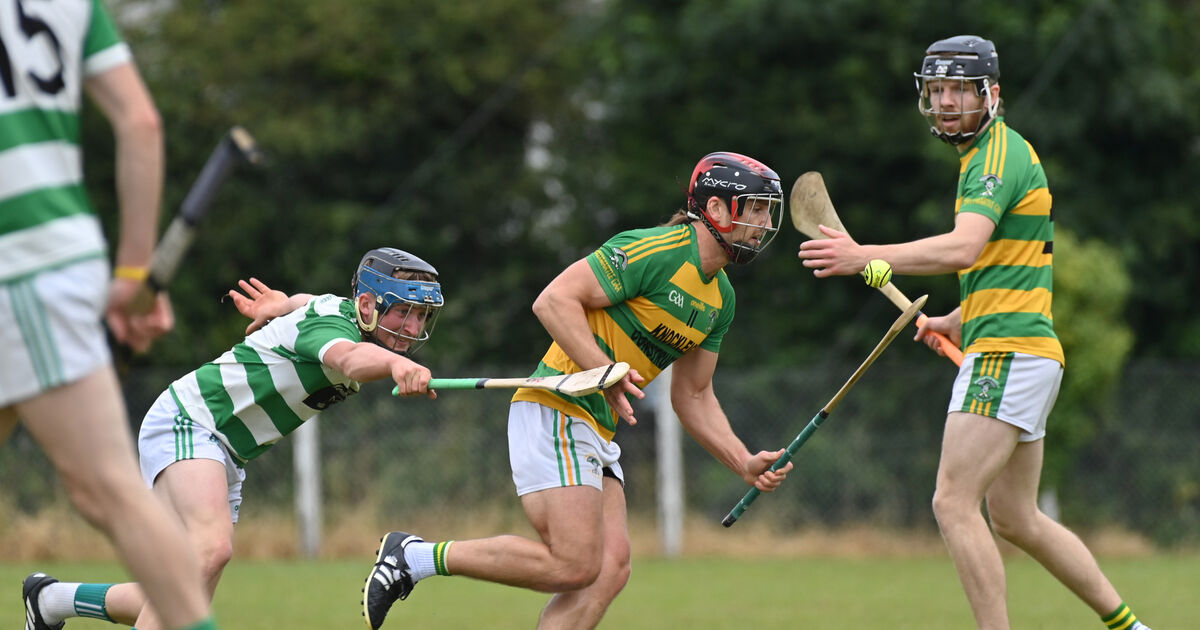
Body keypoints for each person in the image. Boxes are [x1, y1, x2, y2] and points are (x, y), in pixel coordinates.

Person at [796, 35, 1151, 630]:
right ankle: (1131, 627)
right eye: (937, 90)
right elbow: (1007, 266)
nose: (946, 102)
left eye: (958, 89)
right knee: (1015, 518)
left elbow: (964, 247)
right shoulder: (991, 159)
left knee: (952, 502)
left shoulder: (993, 157)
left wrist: (865, 255)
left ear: (991, 94)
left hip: (1007, 355)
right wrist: (952, 320)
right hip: (1027, 351)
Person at [361, 152, 795, 630]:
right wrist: (604, 372)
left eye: (767, 211)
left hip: (594, 425)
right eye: (756, 209)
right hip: (557, 407)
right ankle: (415, 558)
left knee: (610, 570)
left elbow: (692, 395)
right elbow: (553, 300)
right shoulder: (658, 251)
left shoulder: (721, 299)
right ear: (716, 209)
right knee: (574, 565)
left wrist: (742, 460)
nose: (764, 223)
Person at [23, 248, 444, 630]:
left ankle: (50, 601)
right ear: (367, 305)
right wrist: (392, 364)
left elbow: (307, 305)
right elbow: (350, 360)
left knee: (181, 600)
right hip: (192, 421)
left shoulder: (340, 315)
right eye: (403, 311)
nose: (412, 326)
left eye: (422, 316)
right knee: (213, 549)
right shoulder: (334, 327)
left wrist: (283, 303)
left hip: (224, 453)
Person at [1, 2, 219, 629]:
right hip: (55, 259)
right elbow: (141, 122)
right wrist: (132, 275)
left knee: (110, 492)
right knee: (114, 493)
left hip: (17, 262)